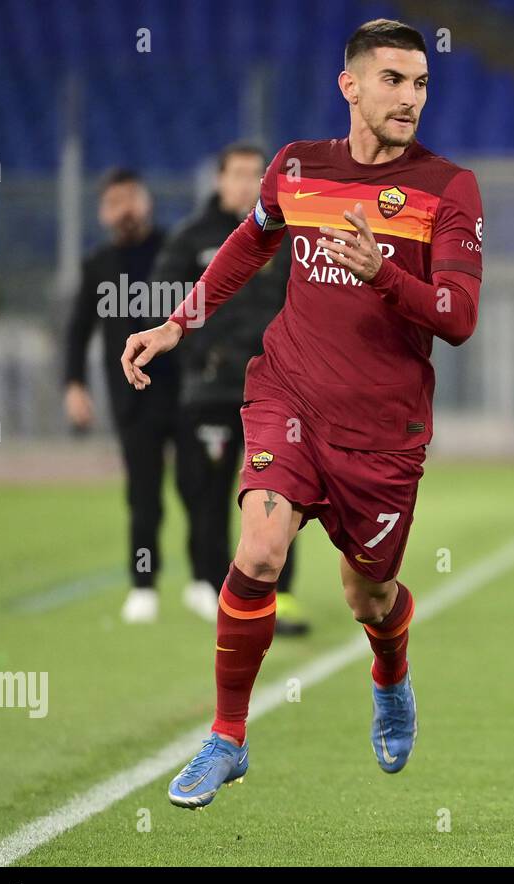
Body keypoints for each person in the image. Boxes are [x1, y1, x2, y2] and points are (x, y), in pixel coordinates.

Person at [119, 19, 483, 809]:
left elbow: (457, 318)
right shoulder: (296, 166)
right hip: (287, 391)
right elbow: (251, 244)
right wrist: (176, 322)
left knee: (369, 597)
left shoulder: (449, 189)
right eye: (394, 80)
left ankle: (390, 672)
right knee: (257, 553)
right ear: (349, 85)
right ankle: (227, 738)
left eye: (421, 83)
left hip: (384, 431)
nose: (411, 98)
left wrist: (384, 272)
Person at [152, 142, 311, 635]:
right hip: (215, 389)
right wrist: (200, 357)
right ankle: (221, 591)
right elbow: (164, 302)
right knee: (210, 492)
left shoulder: (288, 236)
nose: (245, 183)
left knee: (282, 490)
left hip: (279, 388)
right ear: (218, 180)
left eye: (253, 174)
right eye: (236, 174)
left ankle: (278, 597)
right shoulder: (191, 239)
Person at [63, 169, 198, 624]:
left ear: (147, 201)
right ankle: (144, 586)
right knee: (143, 496)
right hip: (134, 396)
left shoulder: (175, 252)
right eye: (113, 202)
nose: (124, 209)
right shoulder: (97, 264)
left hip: (186, 390)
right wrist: (75, 385)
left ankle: (205, 580)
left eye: (130, 198)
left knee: (199, 488)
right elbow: (78, 331)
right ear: (103, 213)